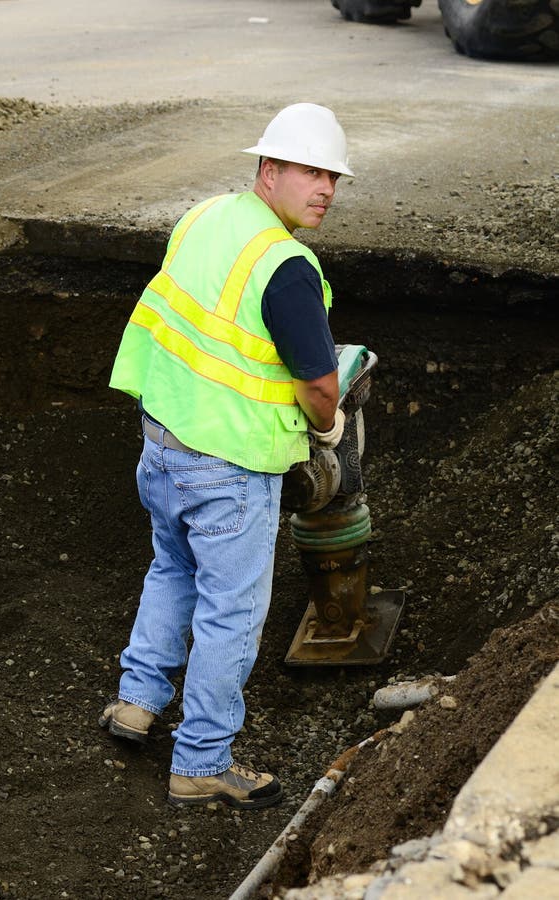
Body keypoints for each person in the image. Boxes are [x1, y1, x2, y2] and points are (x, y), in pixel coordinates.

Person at [99, 103, 354, 810]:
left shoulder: (208, 215)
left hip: (163, 441)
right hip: (229, 464)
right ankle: (202, 762)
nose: (325, 188)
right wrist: (327, 430)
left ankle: (137, 703)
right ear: (268, 169)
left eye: (333, 176)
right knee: (232, 611)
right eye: (310, 171)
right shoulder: (287, 265)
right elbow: (320, 383)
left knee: (172, 566)